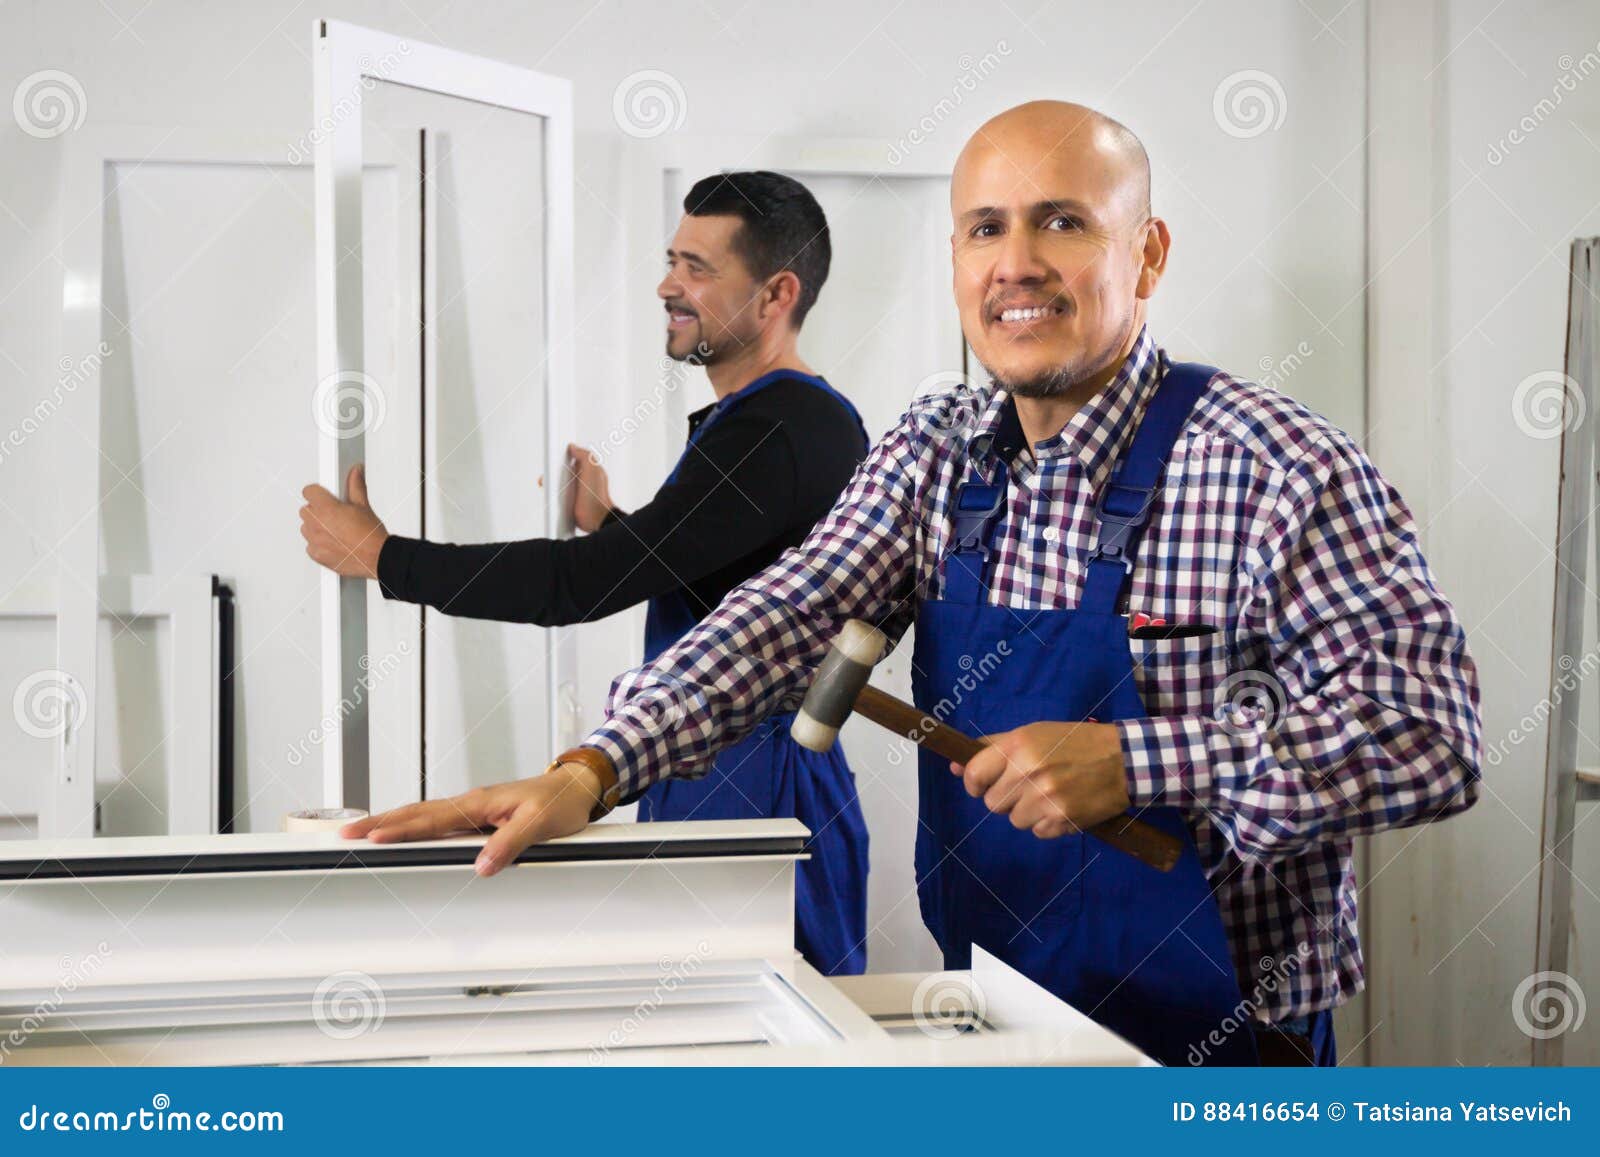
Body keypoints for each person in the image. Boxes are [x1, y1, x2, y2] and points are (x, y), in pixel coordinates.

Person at [337, 102, 1483, 1066]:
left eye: (1062, 222)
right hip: (990, 1014)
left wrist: (1142, 761)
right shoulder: (938, 447)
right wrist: (593, 768)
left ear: (1148, 252)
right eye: (985, 227)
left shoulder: (1277, 465)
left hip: (1220, 1046)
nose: (1016, 261)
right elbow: (783, 619)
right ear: (955, 261)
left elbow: (1432, 732)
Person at [301, 171, 871, 976]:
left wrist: (384, 556)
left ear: (777, 292)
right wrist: (615, 525)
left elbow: (583, 586)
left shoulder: (784, 426)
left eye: (699, 268)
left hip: (757, 780)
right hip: (708, 760)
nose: (668, 285)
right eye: (673, 259)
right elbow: (725, 578)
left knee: (769, 1049)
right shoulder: (776, 420)